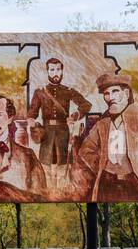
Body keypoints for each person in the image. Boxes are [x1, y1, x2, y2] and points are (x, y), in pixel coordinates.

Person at [73, 72, 138, 202]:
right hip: (106, 184)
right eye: (107, 93)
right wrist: (101, 166)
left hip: (137, 184)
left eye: (115, 91)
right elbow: (85, 150)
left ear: (126, 94)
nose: (111, 97)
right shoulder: (101, 124)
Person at [28, 58, 91, 190]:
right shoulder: (40, 92)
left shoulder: (67, 90)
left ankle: (61, 192)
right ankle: (49, 193)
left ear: (62, 71)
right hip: (46, 132)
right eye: (52, 70)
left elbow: (86, 105)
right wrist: (32, 121)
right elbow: (32, 112)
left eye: (58, 69)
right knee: (46, 164)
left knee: (63, 164)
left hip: (63, 131)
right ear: (47, 72)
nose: (55, 73)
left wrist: (75, 116)